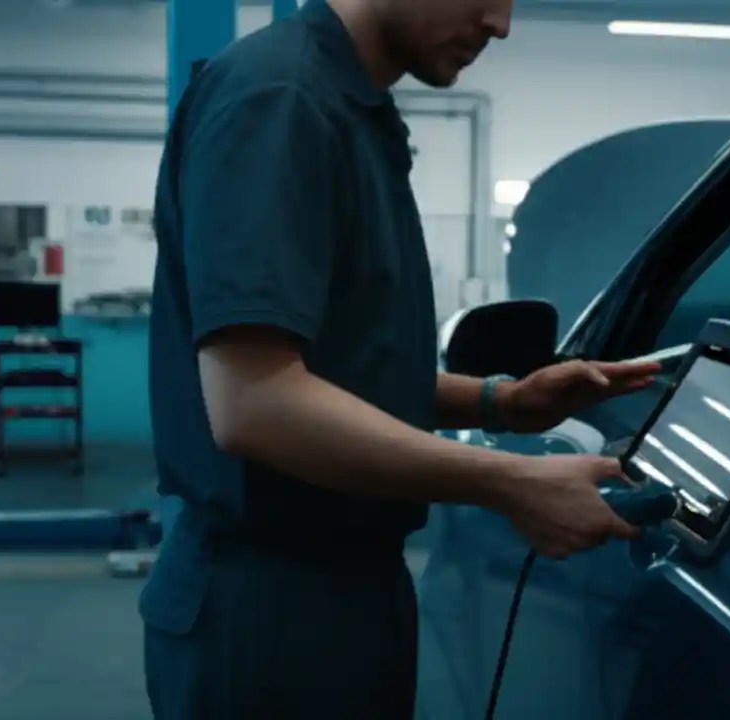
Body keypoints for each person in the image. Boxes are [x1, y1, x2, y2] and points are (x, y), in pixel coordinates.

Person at [142, 0, 661, 717]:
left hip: (340, 589)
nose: (501, 23)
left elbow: (338, 368)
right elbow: (255, 403)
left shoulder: (349, 107)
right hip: (271, 607)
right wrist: (512, 482)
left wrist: (501, 403)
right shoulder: (281, 100)